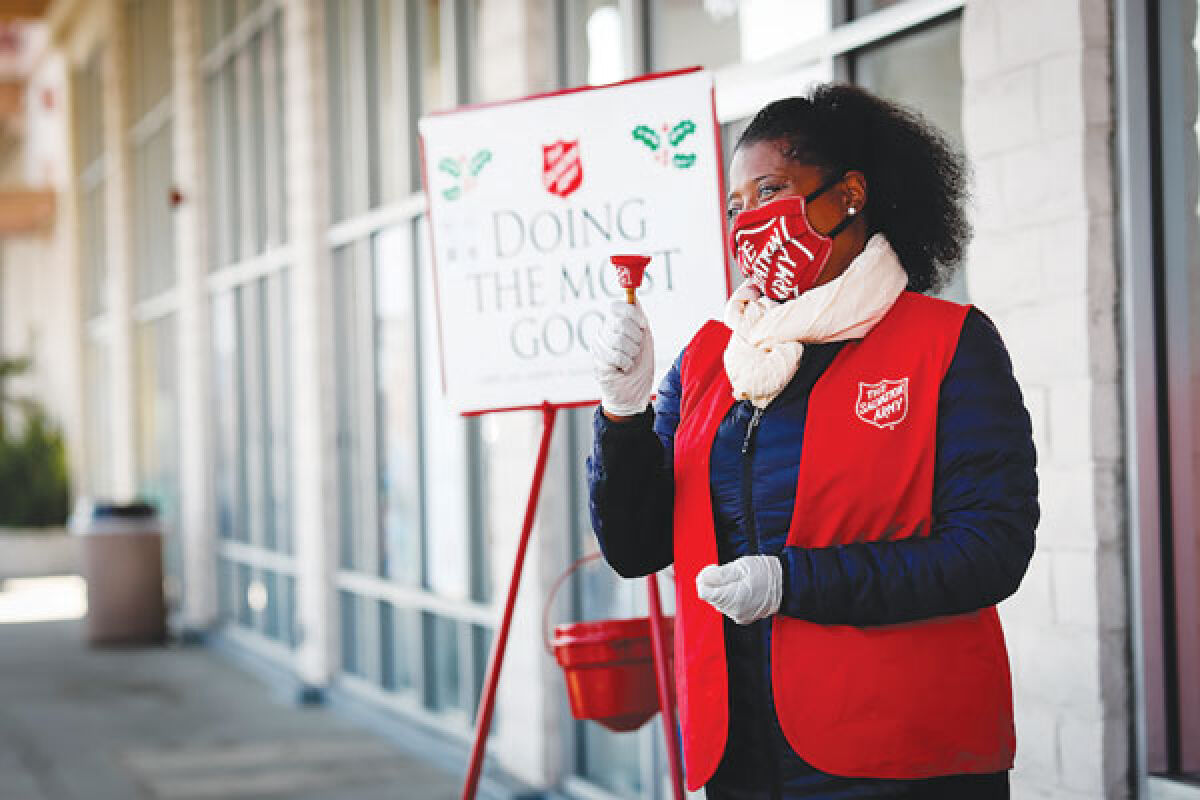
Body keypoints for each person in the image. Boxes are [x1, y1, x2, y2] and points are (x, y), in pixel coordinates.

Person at [587, 83, 1038, 800]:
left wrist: (792, 583)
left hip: (902, 757)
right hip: (742, 757)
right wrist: (622, 415)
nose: (749, 223)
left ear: (848, 193)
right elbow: (636, 547)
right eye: (736, 206)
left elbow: (991, 550)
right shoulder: (709, 359)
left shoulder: (946, 343)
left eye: (771, 191)